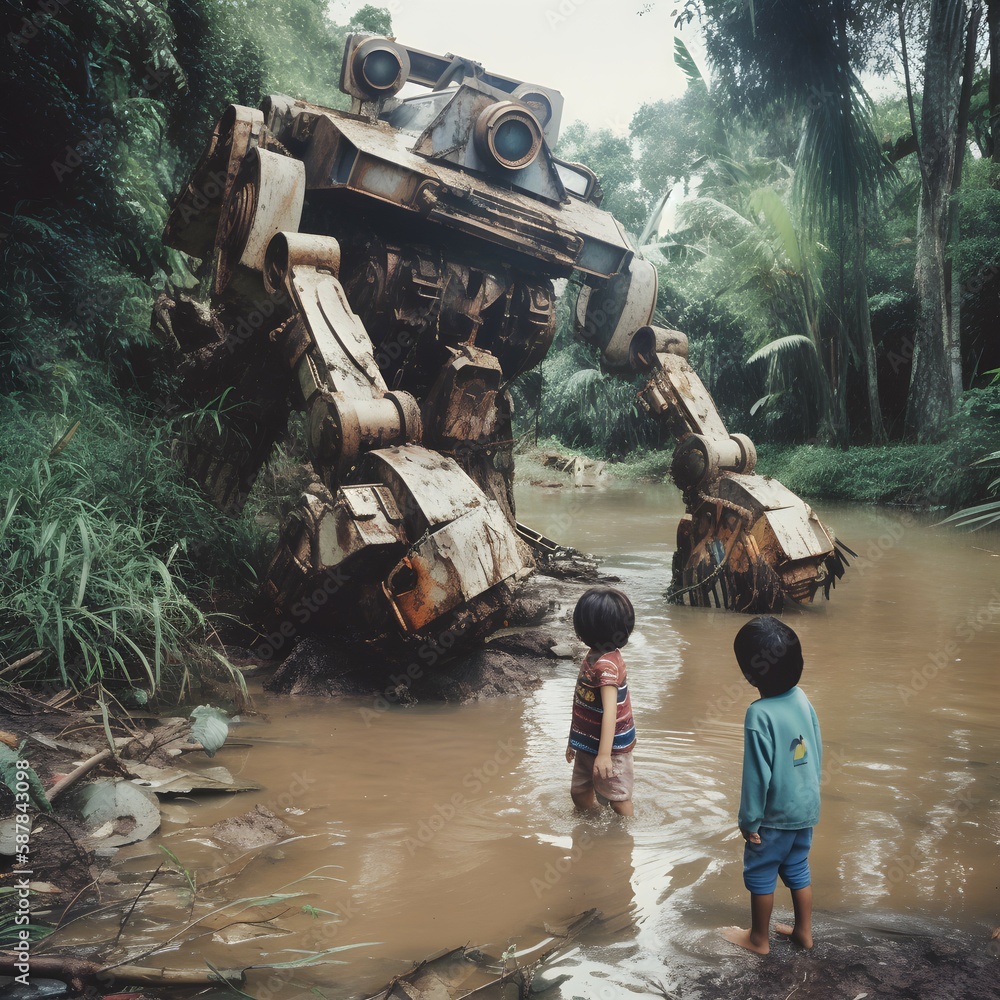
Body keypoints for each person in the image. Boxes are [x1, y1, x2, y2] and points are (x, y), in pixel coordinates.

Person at [721, 616, 821, 954]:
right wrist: (811, 798)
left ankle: (758, 939)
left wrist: (749, 822)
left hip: (773, 816)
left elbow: (756, 778)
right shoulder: (801, 698)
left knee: (762, 872)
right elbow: (816, 747)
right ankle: (804, 933)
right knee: (797, 867)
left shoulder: (759, 714)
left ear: (749, 674)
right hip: (805, 808)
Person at [565, 586, 636, 817]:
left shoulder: (606, 666)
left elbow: (610, 712)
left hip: (611, 748)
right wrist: (573, 740)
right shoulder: (594, 656)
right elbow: (581, 703)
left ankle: (625, 836)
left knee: (618, 797)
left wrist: (604, 754)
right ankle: (594, 825)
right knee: (579, 792)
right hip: (588, 742)